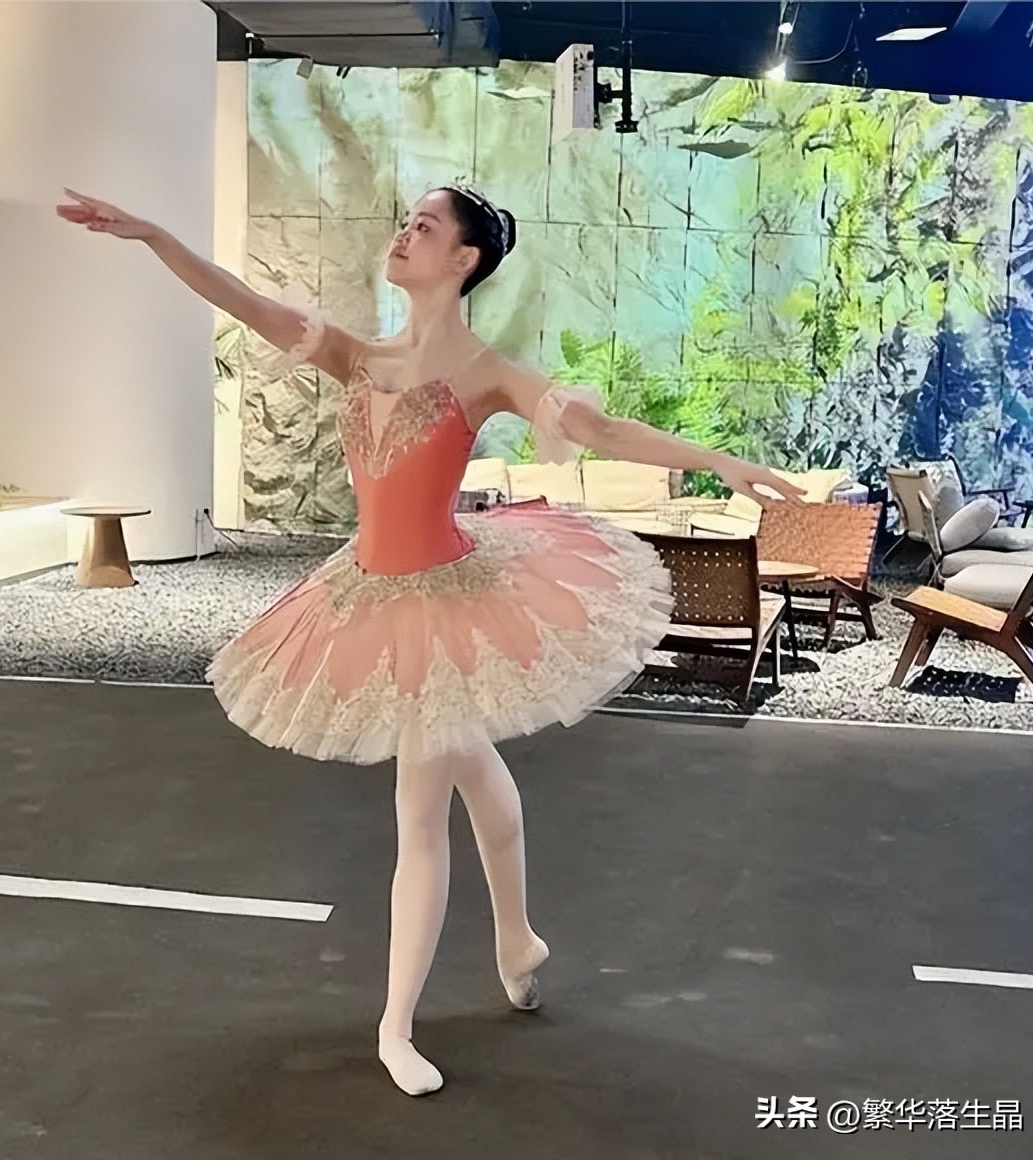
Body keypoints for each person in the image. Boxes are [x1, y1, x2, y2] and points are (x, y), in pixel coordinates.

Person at [57, 184, 805, 1096]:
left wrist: (718, 461)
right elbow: (240, 300)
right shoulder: (358, 357)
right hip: (369, 591)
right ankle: (517, 939)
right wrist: (152, 232)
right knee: (468, 763)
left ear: (465, 261)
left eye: (426, 225)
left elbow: (600, 429)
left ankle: (396, 1025)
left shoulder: (489, 372)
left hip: (445, 595)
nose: (404, 233)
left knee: (422, 810)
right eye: (403, 220)